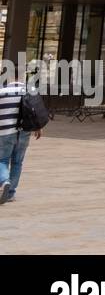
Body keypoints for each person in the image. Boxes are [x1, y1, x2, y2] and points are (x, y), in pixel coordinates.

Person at [0, 75, 39, 205]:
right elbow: (37, 111)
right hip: (24, 132)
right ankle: (11, 193)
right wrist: (38, 127)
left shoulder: (2, 91)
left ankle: (4, 181)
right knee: (17, 162)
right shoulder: (30, 90)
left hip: (5, 132)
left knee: (2, 160)